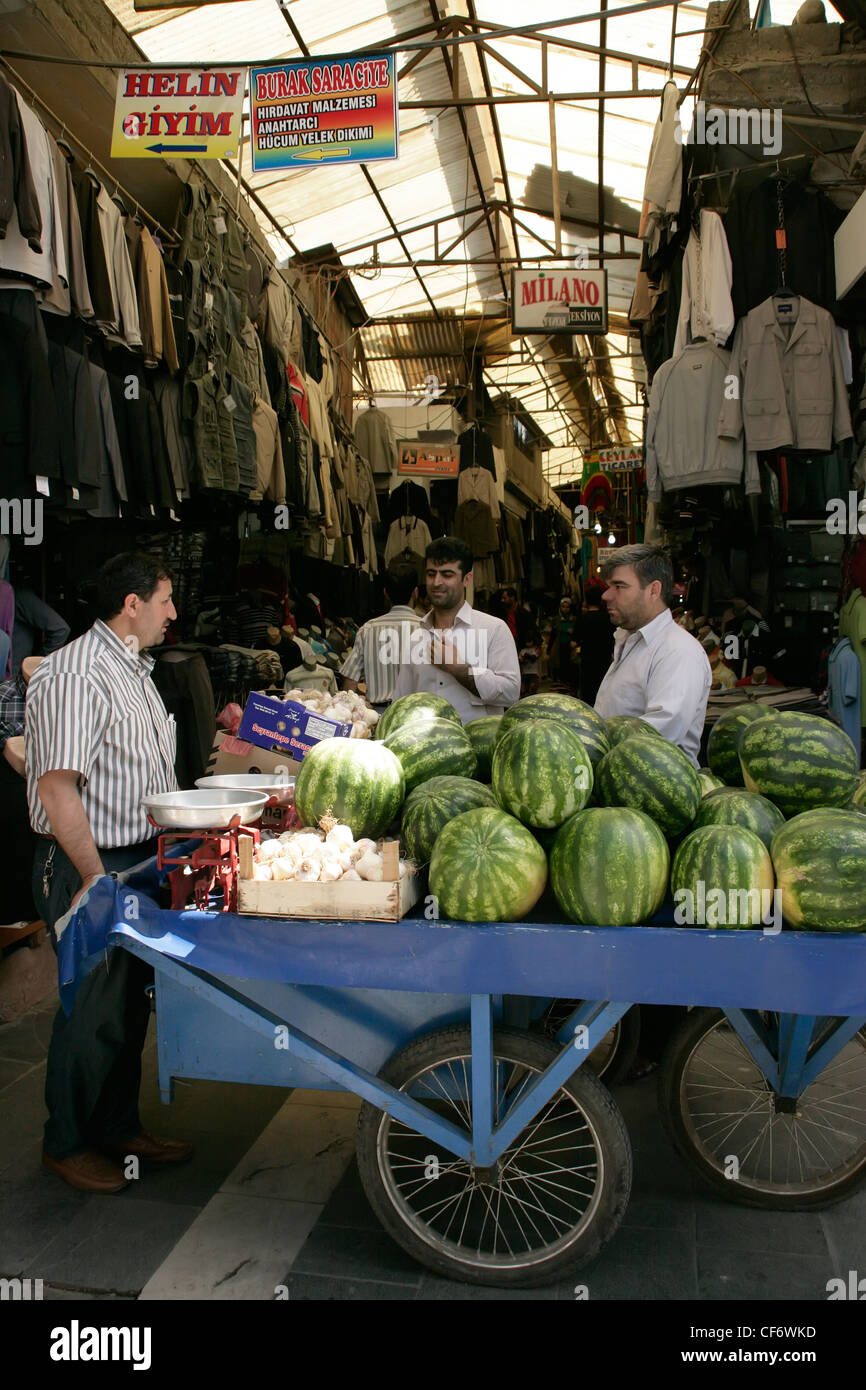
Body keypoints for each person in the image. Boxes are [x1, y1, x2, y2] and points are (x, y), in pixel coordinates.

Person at [25, 553, 193, 1194]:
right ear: (132, 603)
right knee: (91, 1008)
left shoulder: (132, 669)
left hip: (134, 858)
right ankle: (65, 1143)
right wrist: (97, 880)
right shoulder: (77, 674)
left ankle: (118, 1127)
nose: (173, 612)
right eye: (165, 599)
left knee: (127, 1004)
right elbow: (59, 787)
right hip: (85, 863)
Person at [594, 544, 711, 767]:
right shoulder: (630, 640)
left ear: (653, 590)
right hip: (620, 779)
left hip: (653, 790)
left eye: (619, 586)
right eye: (608, 586)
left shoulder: (678, 651)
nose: (606, 595)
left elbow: (659, 736)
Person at [390, 537, 521, 722]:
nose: (436, 582)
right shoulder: (416, 637)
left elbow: (511, 692)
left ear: (467, 579)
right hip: (426, 746)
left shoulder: (494, 629)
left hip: (478, 747)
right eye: (431, 573)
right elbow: (401, 701)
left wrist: (461, 670)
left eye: (447, 575)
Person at [339, 564, 422, 710]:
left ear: (386, 593)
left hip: (378, 717)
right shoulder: (428, 630)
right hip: (417, 717)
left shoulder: (368, 629)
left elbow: (349, 683)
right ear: (415, 593)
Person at [574, 585, 615, 706]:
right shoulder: (608, 618)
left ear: (586, 601)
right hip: (605, 659)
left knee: (588, 693)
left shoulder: (582, 619)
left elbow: (574, 642)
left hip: (587, 660)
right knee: (603, 689)